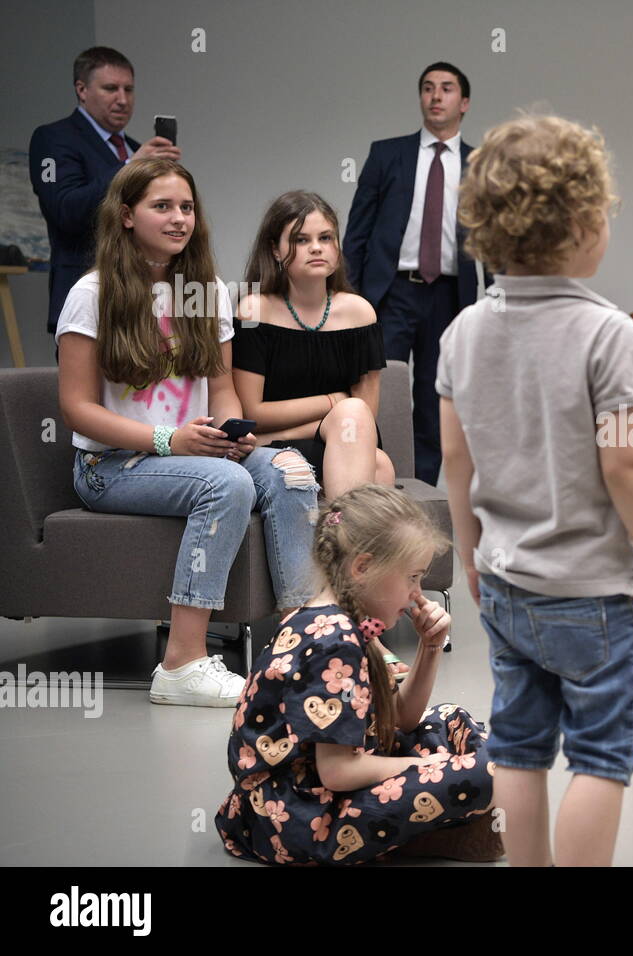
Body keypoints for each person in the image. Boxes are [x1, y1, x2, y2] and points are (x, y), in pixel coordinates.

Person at [440, 113, 633, 865]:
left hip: (508, 582)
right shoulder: (608, 333)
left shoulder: (463, 333)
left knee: (516, 747)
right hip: (591, 591)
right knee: (601, 757)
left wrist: (471, 555)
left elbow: (457, 459)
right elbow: (624, 467)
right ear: (581, 222)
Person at [55, 158, 317, 707]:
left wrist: (231, 433)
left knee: (291, 470)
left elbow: (221, 393)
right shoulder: (92, 293)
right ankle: (182, 663)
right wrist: (167, 440)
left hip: (193, 452)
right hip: (111, 466)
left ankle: (302, 646)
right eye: (162, 207)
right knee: (227, 485)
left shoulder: (206, 291)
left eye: (187, 208)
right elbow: (76, 409)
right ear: (126, 216)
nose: (179, 219)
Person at [215, 484, 500, 865]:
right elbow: (337, 772)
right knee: (491, 771)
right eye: (412, 577)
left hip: (288, 800)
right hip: (298, 820)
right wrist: (425, 766)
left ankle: (427, 829)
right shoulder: (336, 640)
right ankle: (422, 837)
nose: (419, 594)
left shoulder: (329, 619)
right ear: (362, 567)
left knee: (451, 719)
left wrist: (430, 648)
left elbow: (400, 720)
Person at [234, 191, 410, 682]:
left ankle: (339, 619)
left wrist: (339, 412)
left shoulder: (360, 312)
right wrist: (329, 405)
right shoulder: (254, 308)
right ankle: (359, 629)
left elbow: (365, 420)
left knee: (379, 462)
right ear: (276, 249)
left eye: (326, 237)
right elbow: (251, 412)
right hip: (273, 451)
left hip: (345, 445)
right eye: (301, 239)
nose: (317, 248)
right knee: (375, 466)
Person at [343, 61, 490, 485]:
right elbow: (357, 233)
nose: (436, 96)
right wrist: (350, 298)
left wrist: (501, 306)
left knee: (434, 399)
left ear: (463, 103)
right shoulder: (388, 154)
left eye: (446, 88)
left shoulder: (481, 164)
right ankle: (381, 483)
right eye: (428, 88)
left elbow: (495, 243)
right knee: (378, 392)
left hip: (449, 297)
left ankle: (422, 493)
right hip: (391, 294)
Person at [30, 46, 181, 334]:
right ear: (82, 90)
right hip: (86, 295)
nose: (122, 99)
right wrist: (129, 166)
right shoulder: (51, 138)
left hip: (144, 298)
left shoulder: (137, 149)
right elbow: (65, 211)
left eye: (129, 89)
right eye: (111, 88)